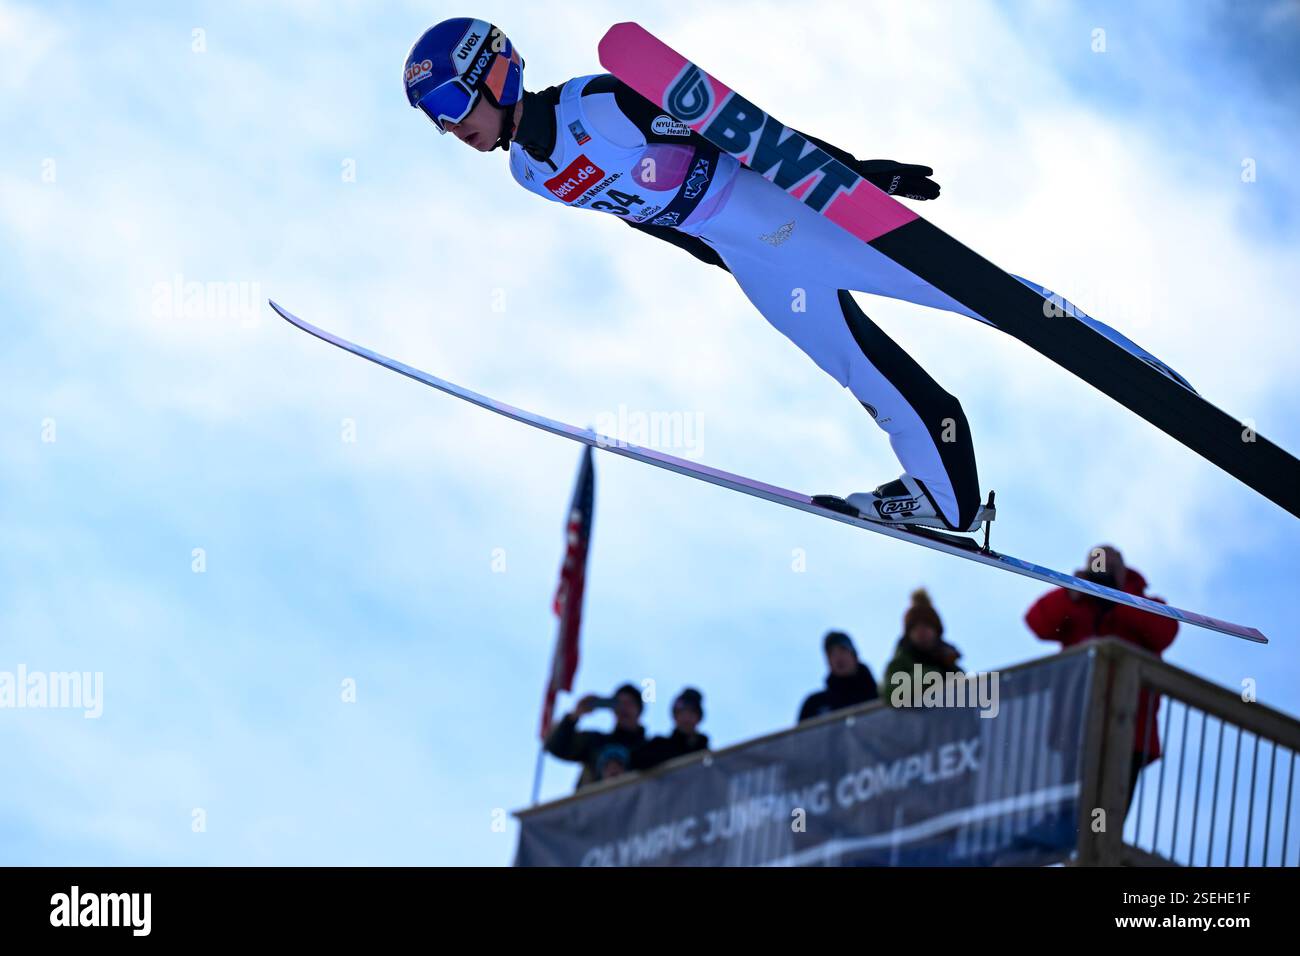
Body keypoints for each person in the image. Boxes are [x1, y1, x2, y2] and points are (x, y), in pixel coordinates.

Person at [401, 18, 1001, 534]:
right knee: (854, 363)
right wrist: (717, 255)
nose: (452, 127)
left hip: (785, 211)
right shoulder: (530, 174)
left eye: (453, 106)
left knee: (958, 288)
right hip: (748, 257)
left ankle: (1076, 329)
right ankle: (945, 496)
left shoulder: (601, 103)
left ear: (497, 74)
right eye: (437, 119)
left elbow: (749, 136)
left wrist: (854, 175)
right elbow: (637, 212)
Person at [1024, 545, 1178, 806]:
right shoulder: (1077, 603)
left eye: (1110, 565)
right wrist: (1070, 593)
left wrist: (1119, 596)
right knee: (1071, 803)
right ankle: (1066, 835)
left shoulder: (1144, 603)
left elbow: (1165, 632)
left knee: (1112, 807)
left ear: (1123, 569)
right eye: (1097, 565)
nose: (1102, 570)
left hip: (1130, 726)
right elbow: (1037, 623)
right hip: (1076, 724)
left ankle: (1094, 840)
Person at [544, 683, 647, 790]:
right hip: (593, 805)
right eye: (619, 704)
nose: (623, 709)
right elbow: (555, 747)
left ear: (639, 710)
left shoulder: (650, 750)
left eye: (629, 703)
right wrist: (575, 715)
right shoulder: (595, 742)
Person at [883, 589, 963, 705]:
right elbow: (890, 691)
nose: (921, 631)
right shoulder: (901, 662)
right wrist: (932, 675)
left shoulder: (949, 664)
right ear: (909, 634)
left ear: (936, 630)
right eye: (915, 627)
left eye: (926, 625)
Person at [798, 631, 879, 722]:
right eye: (831, 654)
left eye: (843, 650)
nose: (838, 657)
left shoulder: (880, 696)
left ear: (854, 655)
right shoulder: (815, 704)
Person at [631, 687, 710, 771]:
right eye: (681, 712)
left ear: (699, 717)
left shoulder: (707, 755)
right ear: (675, 716)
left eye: (692, 713)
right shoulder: (659, 746)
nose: (686, 718)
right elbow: (636, 760)